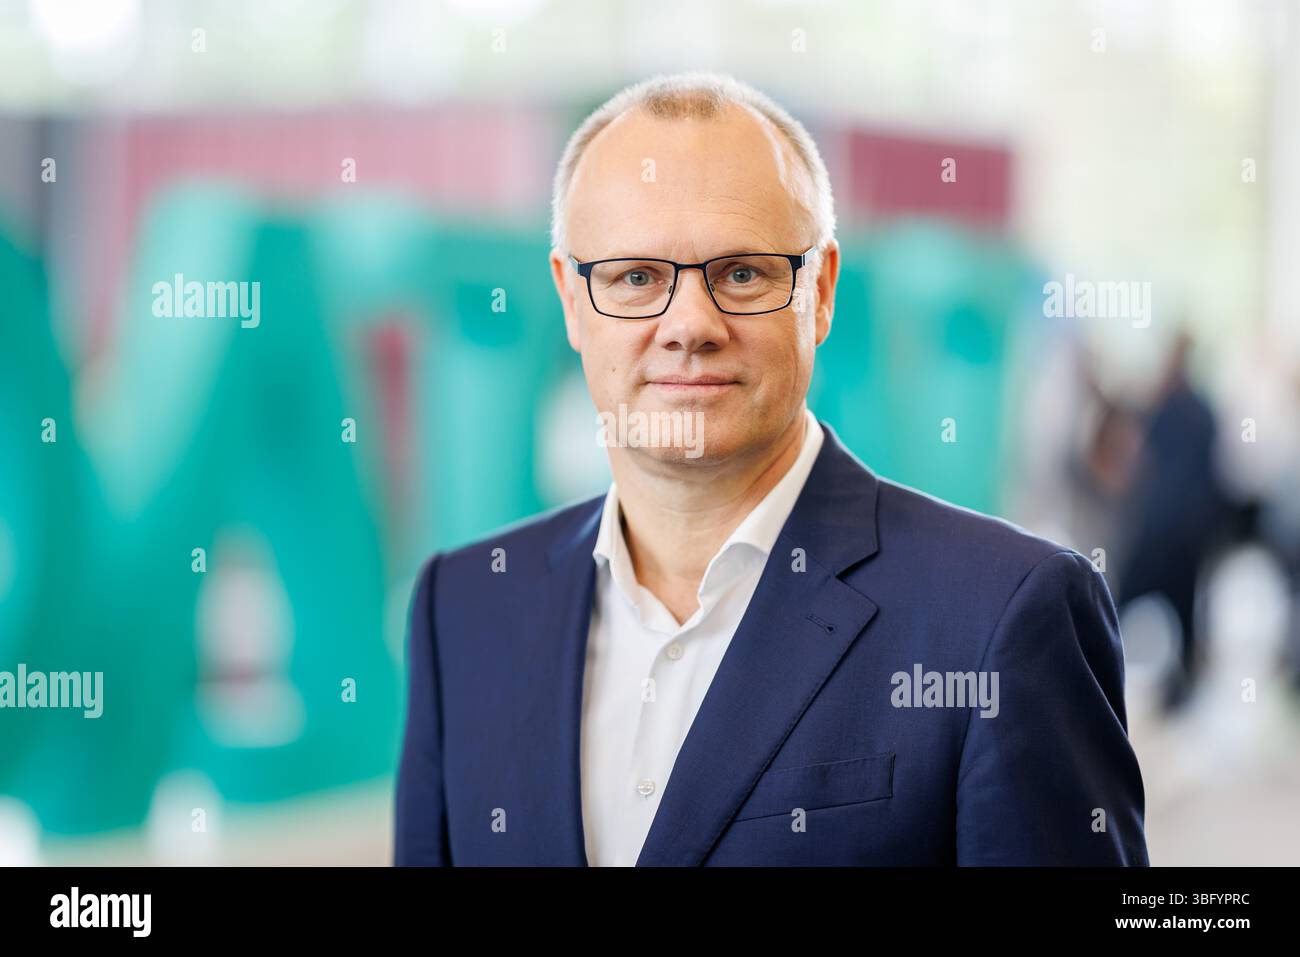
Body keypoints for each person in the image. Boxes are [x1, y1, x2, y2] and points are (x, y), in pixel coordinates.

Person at [394, 72, 1149, 866]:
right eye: (636, 277)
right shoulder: (463, 609)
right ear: (572, 300)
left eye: (743, 273)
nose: (689, 324)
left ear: (819, 291)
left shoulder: (999, 617)